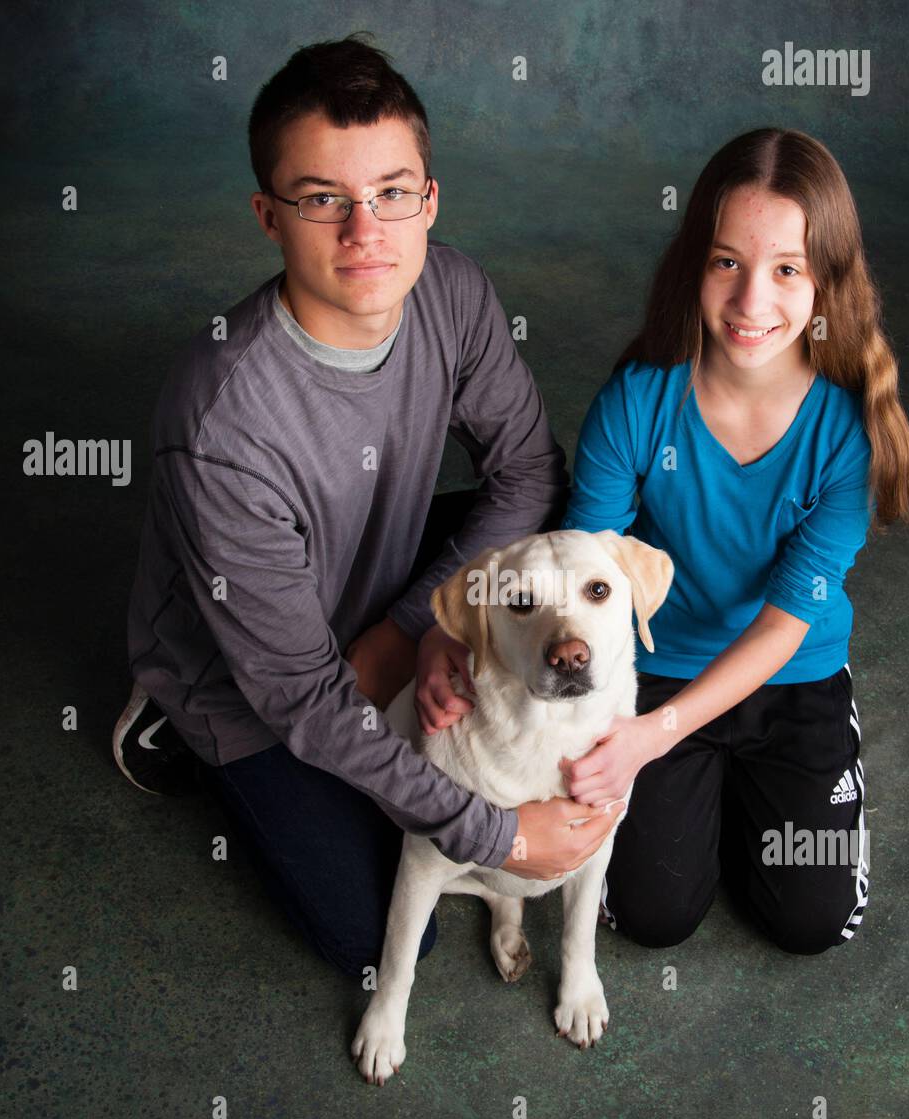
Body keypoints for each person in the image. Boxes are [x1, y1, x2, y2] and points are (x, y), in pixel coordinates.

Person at [114, 33, 623, 979]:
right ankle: (167, 715)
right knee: (381, 936)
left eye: (393, 193)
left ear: (429, 200)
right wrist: (502, 837)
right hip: (251, 679)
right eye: (323, 200)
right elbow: (305, 699)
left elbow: (523, 471)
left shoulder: (456, 291)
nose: (366, 232)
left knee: (551, 557)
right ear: (269, 215)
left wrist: (419, 624)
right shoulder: (221, 422)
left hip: (377, 572)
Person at [551, 128, 909, 954]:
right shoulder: (638, 400)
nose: (753, 302)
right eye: (728, 262)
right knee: (651, 914)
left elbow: (789, 619)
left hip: (790, 671)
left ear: (829, 281)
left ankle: (744, 787)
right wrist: (621, 722)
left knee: (813, 920)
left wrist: (657, 740)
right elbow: (586, 570)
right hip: (656, 665)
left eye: (787, 269)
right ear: (695, 264)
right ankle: (692, 804)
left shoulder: (846, 430)